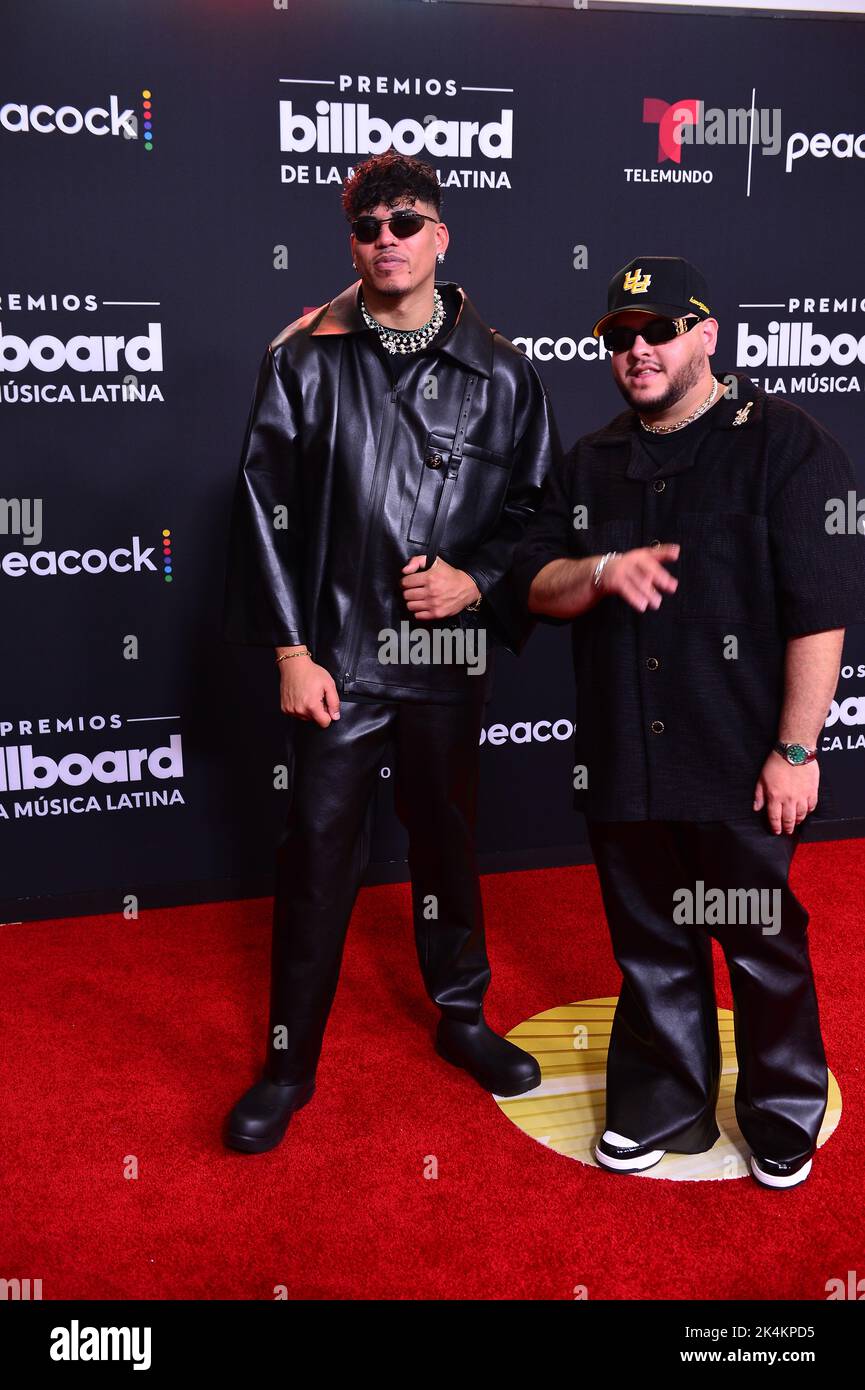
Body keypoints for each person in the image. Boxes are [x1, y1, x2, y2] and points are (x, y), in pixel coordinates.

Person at [221, 150, 561, 1153]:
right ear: (352, 242)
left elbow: (535, 522)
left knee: (446, 841)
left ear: (440, 235)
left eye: (404, 222)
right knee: (316, 854)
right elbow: (258, 510)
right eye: (367, 226)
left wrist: (478, 581)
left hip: (446, 660)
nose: (385, 239)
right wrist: (290, 648)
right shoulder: (304, 360)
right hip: (335, 656)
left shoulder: (503, 373)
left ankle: (461, 1017)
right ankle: (288, 1063)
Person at [510, 255, 865, 1188]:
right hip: (624, 755)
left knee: (758, 943)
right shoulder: (589, 460)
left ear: (706, 334)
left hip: (737, 755)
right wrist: (597, 572)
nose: (637, 351)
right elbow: (535, 585)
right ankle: (663, 1104)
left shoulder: (785, 444)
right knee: (652, 944)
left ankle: (782, 1108)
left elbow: (820, 610)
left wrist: (796, 749)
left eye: (657, 331)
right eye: (619, 338)